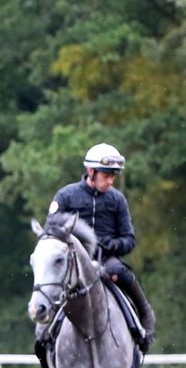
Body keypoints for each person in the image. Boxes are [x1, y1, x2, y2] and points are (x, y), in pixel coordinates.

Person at [46, 142, 155, 351]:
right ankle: (44, 331)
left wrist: (111, 245)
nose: (110, 181)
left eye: (113, 176)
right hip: (73, 260)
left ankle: (144, 315)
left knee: (120, 271)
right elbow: (51, 229)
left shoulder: (117, 200)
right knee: (54, 280)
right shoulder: (66, 196)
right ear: (90, 171)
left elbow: (129, 239)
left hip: (107, 260)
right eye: (106, 175)